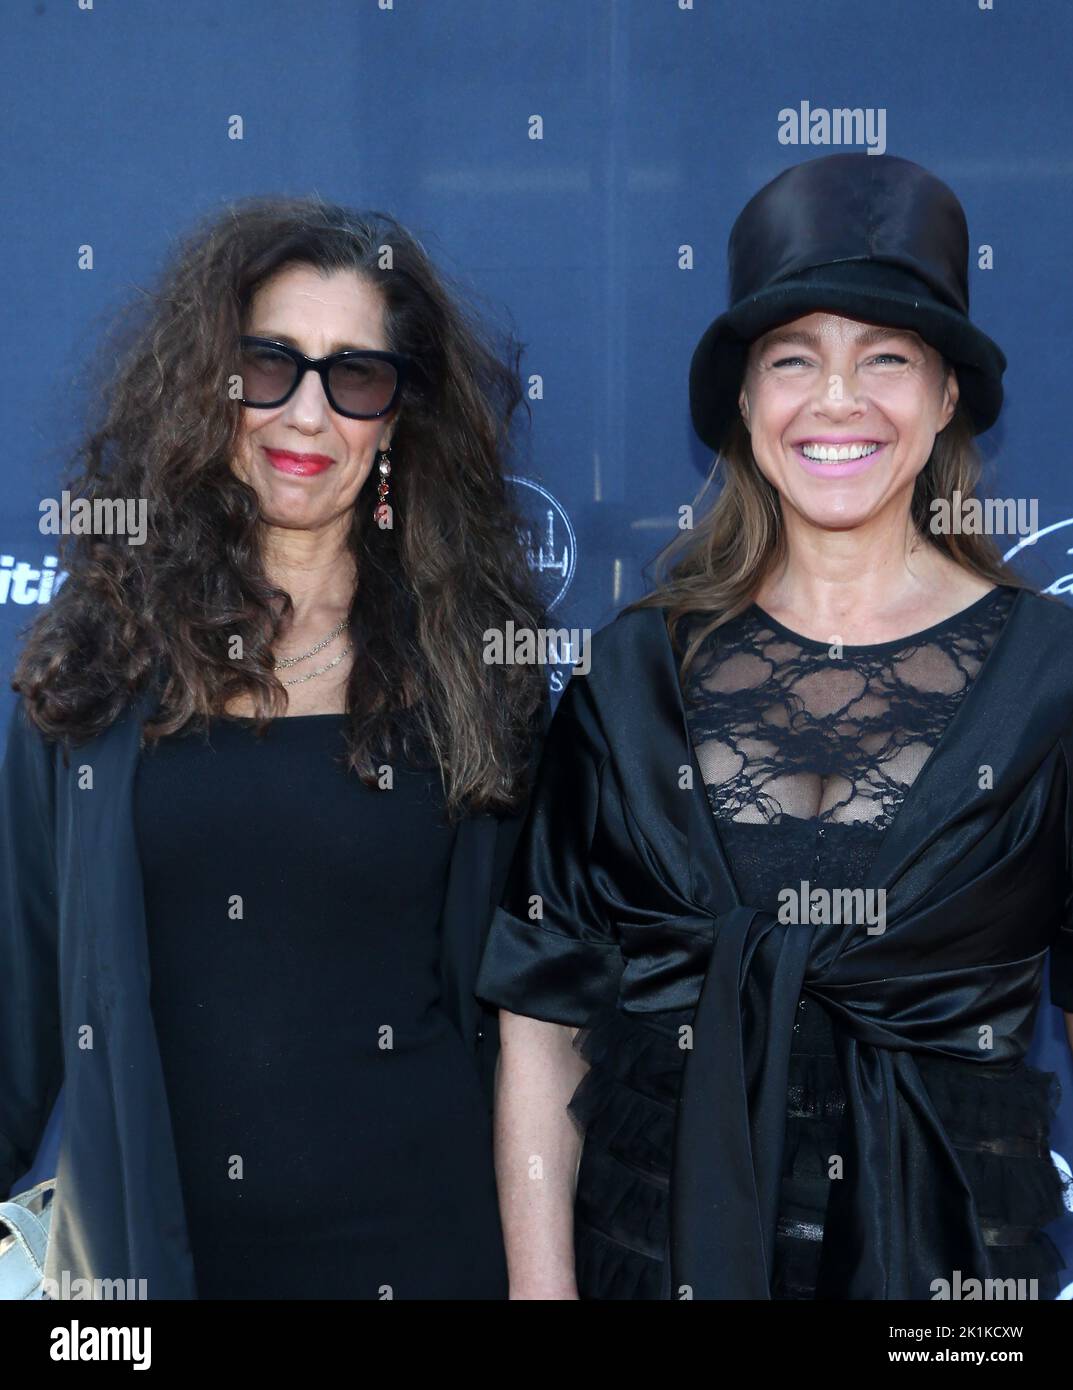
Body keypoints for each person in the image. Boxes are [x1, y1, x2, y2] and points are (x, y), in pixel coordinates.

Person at [476, 152, 1073, 1300]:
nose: (836, 401)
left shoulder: (1052, 686)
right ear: (743, 403)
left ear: (947, 396)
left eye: (886, 358)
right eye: (791, 359)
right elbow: (539, 1023)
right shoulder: (630, 677)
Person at [0, 196, 547, 1299]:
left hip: (422, 1256)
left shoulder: (472, 673)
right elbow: (18, 1004)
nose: (306, 414)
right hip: (145, 1274)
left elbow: (535, 1025)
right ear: (211, 382)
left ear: (395, 417)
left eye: (355, 377)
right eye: (269, 364)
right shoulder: (94, 668)